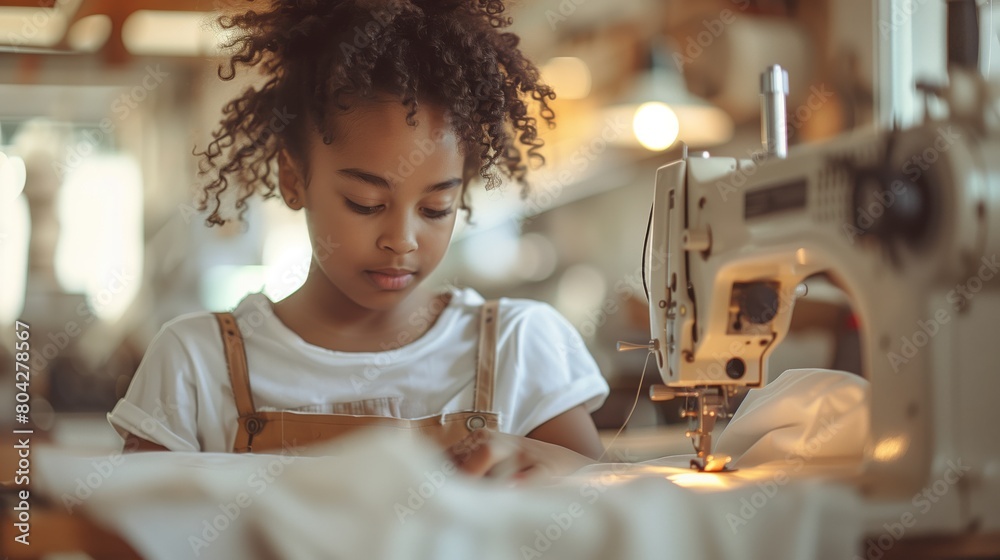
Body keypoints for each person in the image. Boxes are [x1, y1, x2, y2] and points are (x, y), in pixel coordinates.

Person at [108, 0, 610, 476]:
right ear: (292, 178)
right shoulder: (194, 362)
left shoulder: (518, 348)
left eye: (437, 208)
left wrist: (552, 466)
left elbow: (608, 516)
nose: (402, 240)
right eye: (365, 204)